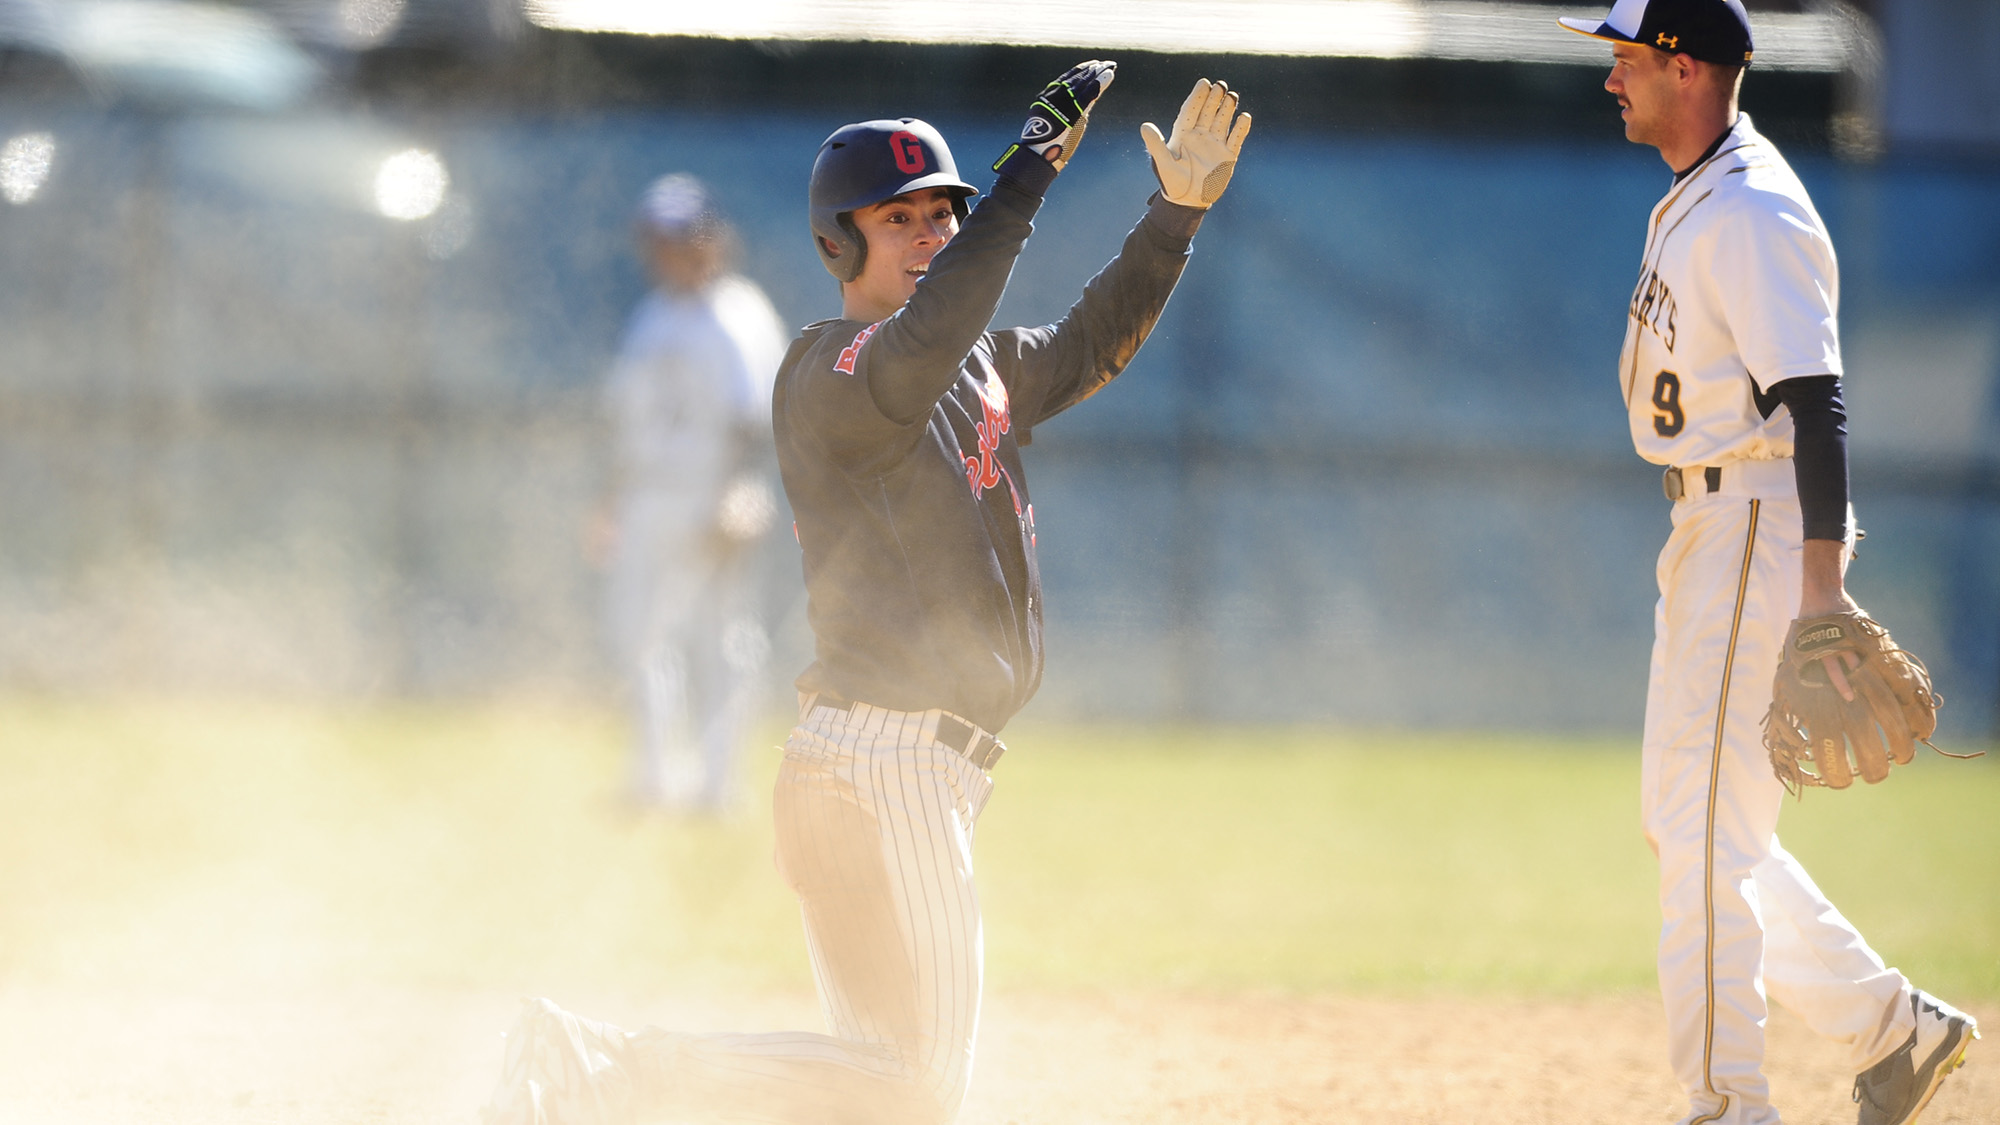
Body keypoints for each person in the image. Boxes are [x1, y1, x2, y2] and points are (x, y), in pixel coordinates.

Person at [482, 63, 1251, 1125]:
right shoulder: (826, 372)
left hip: (898, 772)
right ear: (837, 244)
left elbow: (1079, 351)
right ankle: (611, 1070)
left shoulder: (971, 368)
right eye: (900, 218)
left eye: (944, 211)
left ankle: (600, 1070)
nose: (931, 231)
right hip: (881, 768)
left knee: (872, 1087)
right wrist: (1026, 171)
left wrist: (1172, 220)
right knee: (920, 1088)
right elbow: (927, 336)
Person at [1555, 3, 1978, 1124]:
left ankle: (1726, 1106)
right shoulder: (1699, 193)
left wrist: (1821, 584)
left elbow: (1816, 404)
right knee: (1692, 827)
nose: (1610, 79)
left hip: (1750, 520)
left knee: (1702, 839)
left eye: (1624, 58)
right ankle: (1894, 1031)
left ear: (1682, 66)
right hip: (1708, 529)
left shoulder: (1748, 208)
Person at [597, 173, 786, 813]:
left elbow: (756, 416)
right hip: (650, 493)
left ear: (709, 239)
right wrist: (611, 499)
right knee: (640, 635)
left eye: (678, 238)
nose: (666, 252)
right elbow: (631, 421)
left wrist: (737, 493)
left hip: (712, 491)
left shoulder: (740, 310)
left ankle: (717, 782)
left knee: (718, 638)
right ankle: (656, 776)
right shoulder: (653, 313)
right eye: (657, 240)